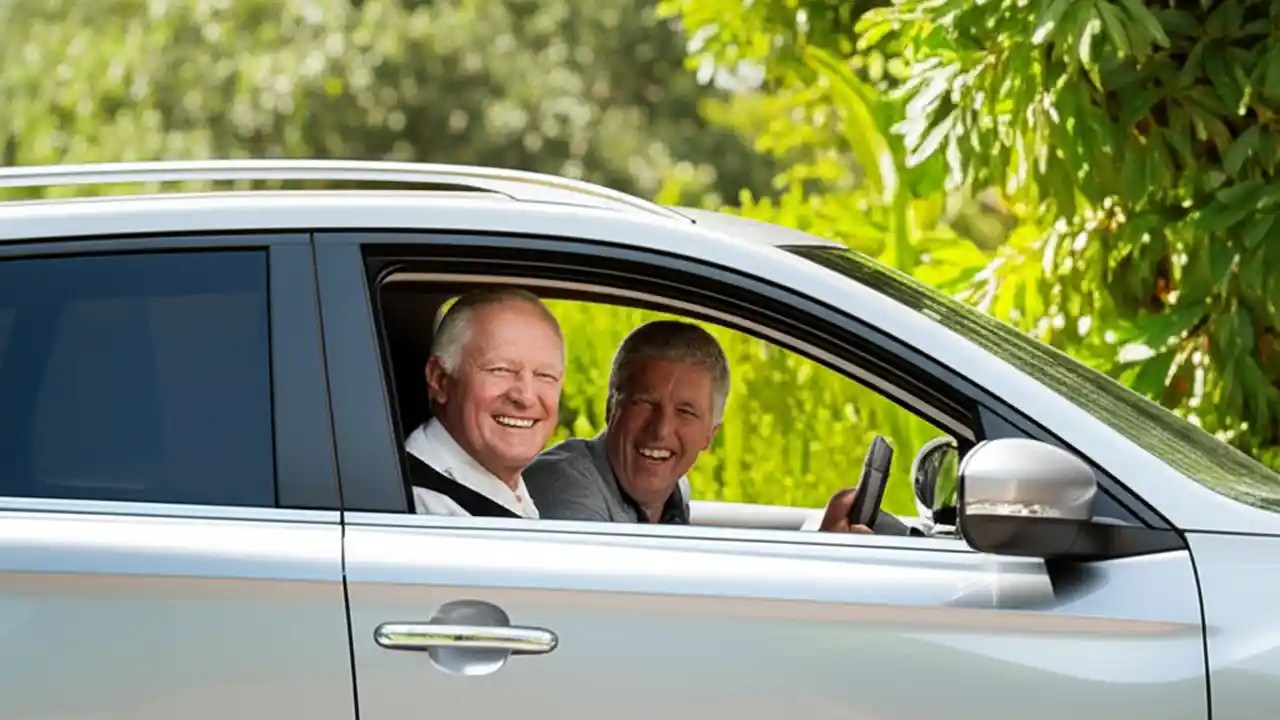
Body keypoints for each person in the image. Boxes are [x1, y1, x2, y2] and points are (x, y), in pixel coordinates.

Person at [524, 320, 870, 533]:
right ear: (611, 408)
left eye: (685, 412)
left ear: (710, 434)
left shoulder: (672, 492)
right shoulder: (567, 492)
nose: (660, 430)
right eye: (645, 403)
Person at [405, 287, 565, 518]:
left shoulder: (495, 486)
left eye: (545, 375)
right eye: (500, 370)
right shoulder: (426, 510)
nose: (525, 396)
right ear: (440, 380)